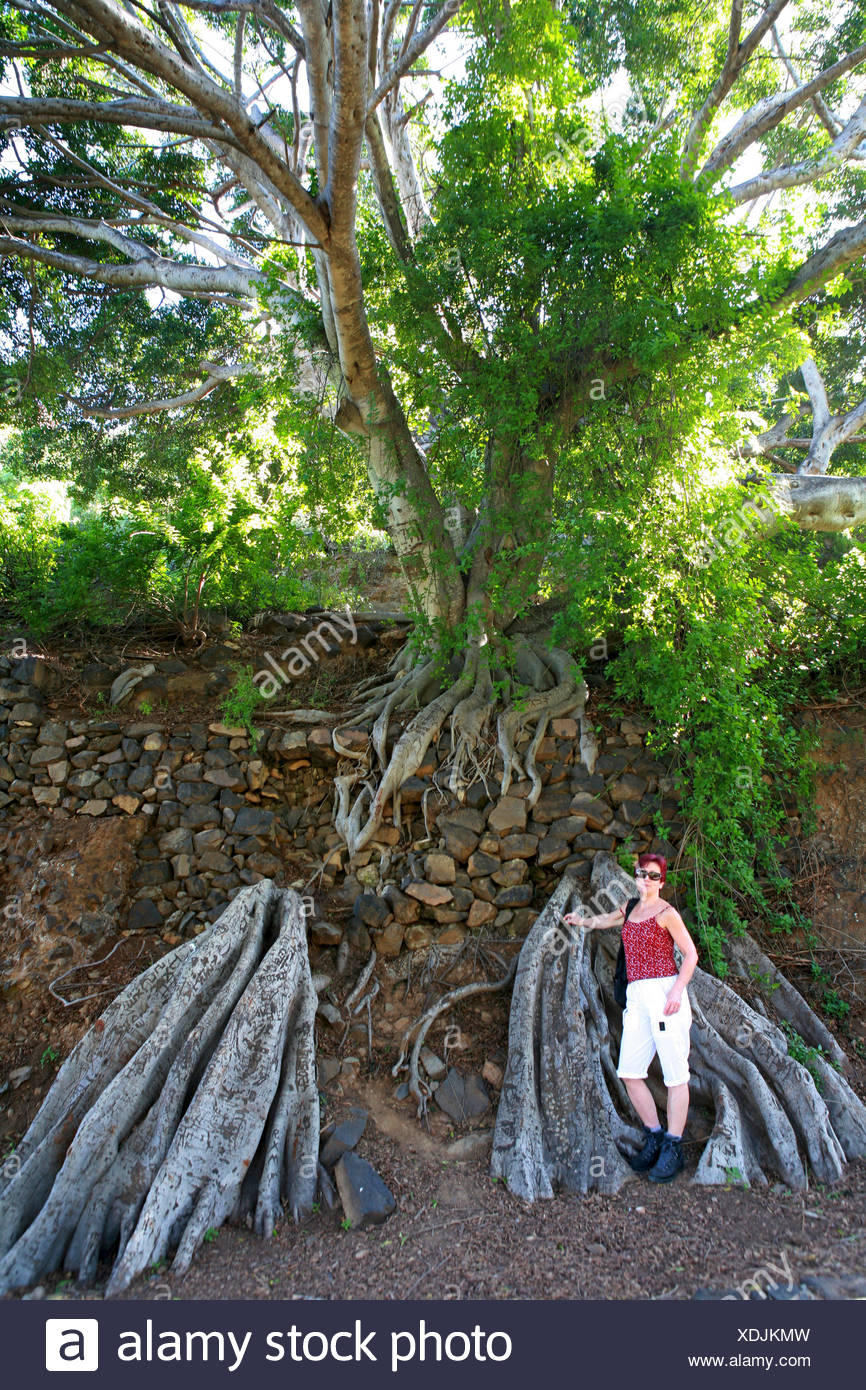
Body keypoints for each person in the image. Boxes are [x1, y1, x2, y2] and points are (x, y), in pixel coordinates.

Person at [562, 853, 699, 1182]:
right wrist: (582, 921)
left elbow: (691, 954)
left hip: (665, 994)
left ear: (661, 881)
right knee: (629, 1072)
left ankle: (674, 1146)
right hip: (637, 998)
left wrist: (678, 991)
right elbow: (609, 920)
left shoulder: (667, 914)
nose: (647, 880)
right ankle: (654, 1134)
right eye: (642, 874)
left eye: (654, 876)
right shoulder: (631, 907)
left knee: (675, 1076)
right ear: (636, 875)